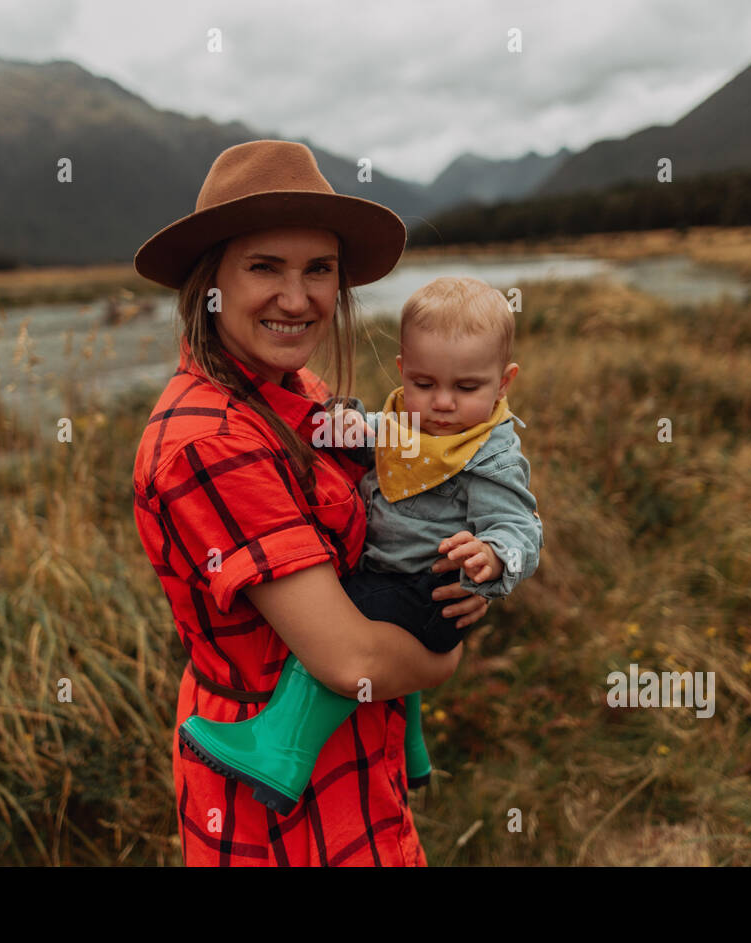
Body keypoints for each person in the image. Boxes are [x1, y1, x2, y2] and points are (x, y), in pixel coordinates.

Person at [131, 140, 489, 866]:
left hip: (361, 778)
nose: (298, 299)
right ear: (211, 285)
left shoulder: (305, 399)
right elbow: (351, 658)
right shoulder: (208, 441)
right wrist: (440, 651)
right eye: (265, 267)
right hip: (279, 808)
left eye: (318, 270)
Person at [182, 275, 543, 794]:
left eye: (466, 388)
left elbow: (520, 527)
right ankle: (412, 748)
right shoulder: (409, 423)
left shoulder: (490, 455)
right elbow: (379, 438)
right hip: (401, 579)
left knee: (343, 613)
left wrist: (492, 556)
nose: (441, 404)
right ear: (403, 371)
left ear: (504, 382)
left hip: (424, 590)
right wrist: (343, 426)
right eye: (424, 384)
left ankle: (281, 751)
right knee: (372, 600)